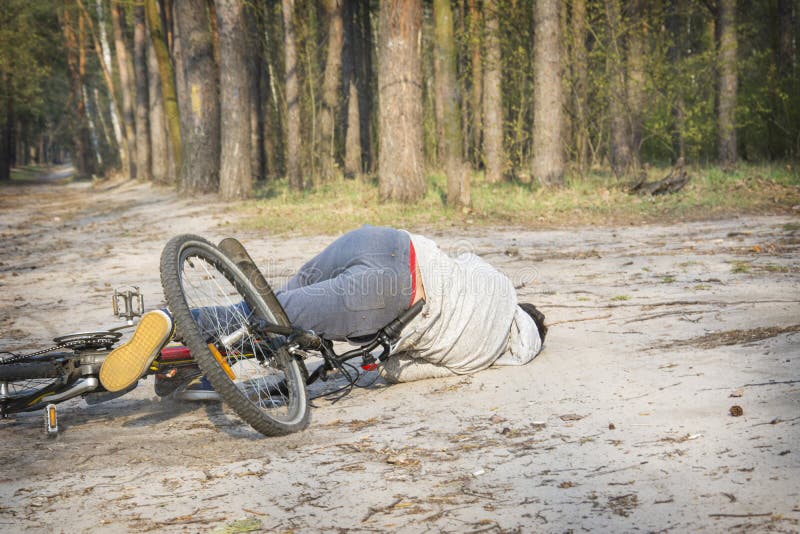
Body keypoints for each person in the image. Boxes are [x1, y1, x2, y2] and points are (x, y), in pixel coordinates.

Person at [98, 225, 546, 397]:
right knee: (272, 318)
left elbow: (460, 258)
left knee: (278, 301)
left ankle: (206, 349)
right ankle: (178, 321)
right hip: (395, 297)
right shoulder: (483, 354)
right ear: (524, 340)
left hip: (388, 242)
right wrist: (386, 364)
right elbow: (399, 370)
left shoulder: (496, 283)